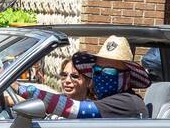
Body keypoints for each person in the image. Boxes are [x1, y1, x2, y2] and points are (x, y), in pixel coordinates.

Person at [10, 34, 149, 119]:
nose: (101, 75)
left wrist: (20, 88)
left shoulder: (127, 103)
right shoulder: (106, 99)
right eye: (97, 70)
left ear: (127, 76)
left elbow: (72, 109)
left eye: (109, 71)